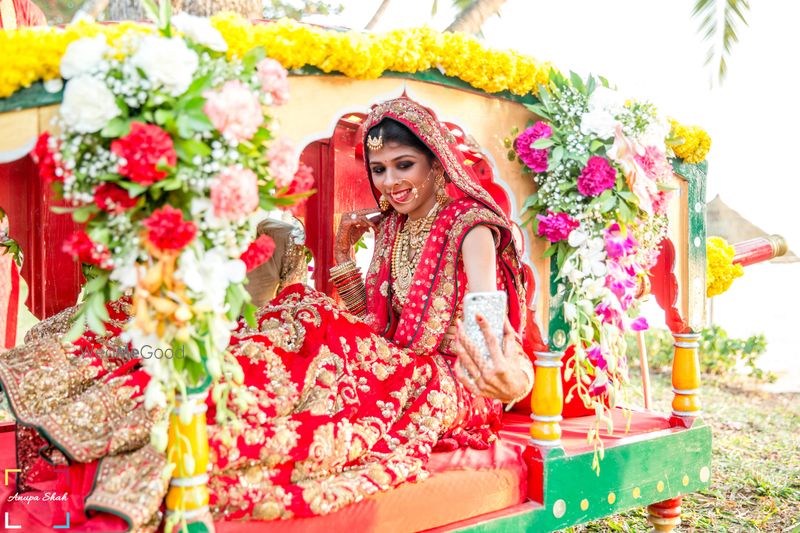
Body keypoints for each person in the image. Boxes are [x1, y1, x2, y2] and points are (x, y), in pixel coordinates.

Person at [0, 97, 535, 530]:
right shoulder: (394, 225)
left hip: (450, 383)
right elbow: (368, 318)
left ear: (437, 162)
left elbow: (486, 336)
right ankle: (143, 399)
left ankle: (178, 437)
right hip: (397, 357)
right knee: (297, 319)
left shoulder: (472, 227)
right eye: (379, 169)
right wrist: (346, 253)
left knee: (314, 340)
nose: (391, 182)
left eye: (404, 166)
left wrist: (505, 382)